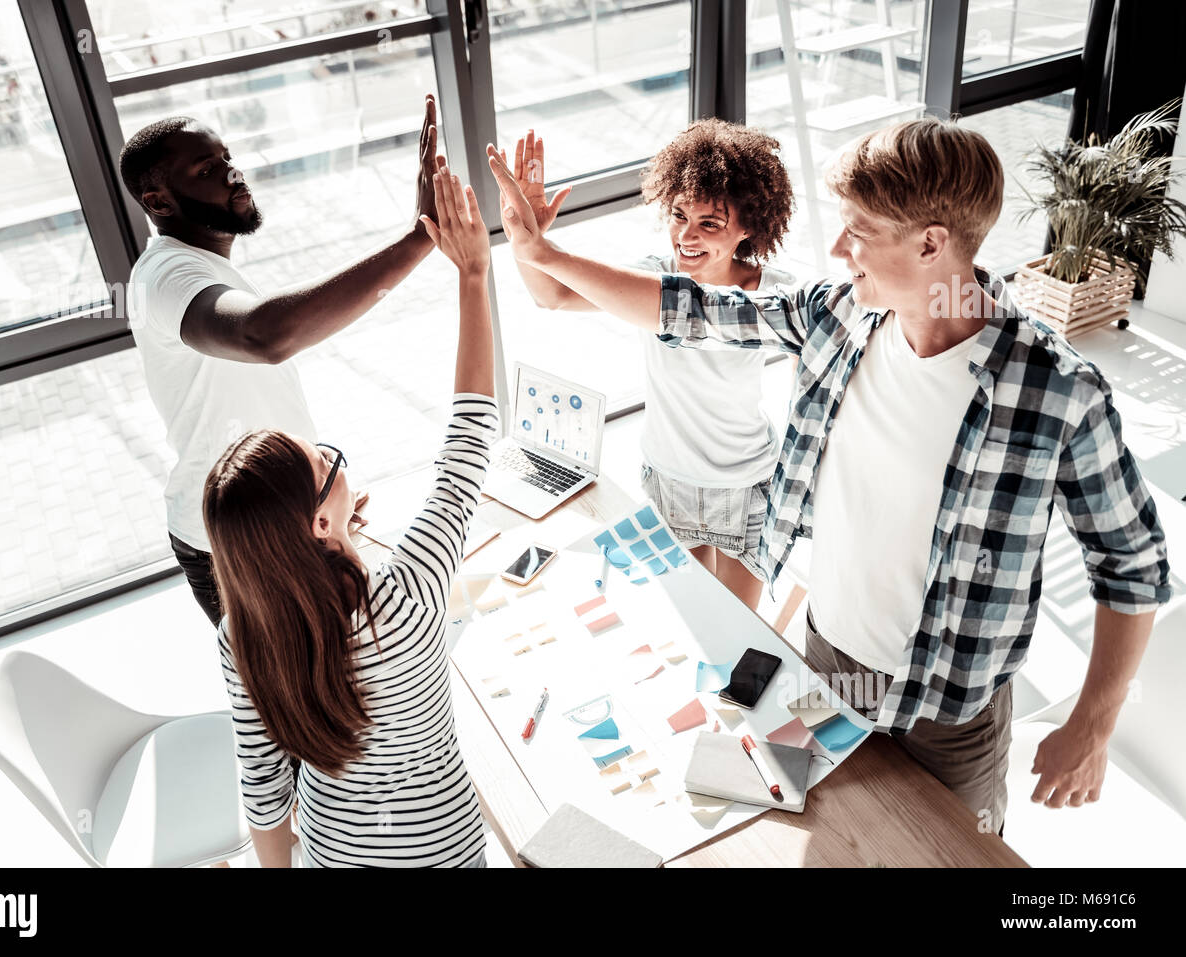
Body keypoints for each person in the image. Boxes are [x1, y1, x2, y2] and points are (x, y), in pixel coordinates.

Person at [487, 117, 1171, 835]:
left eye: (859, 231)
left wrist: (1094, 724)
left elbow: (1131, 564)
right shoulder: (840, 317)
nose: (839, 249)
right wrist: (542, 251)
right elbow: (689, 311)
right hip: (824, 669)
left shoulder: (1059, 391)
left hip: (948, 714)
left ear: (932, 242)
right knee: (818, 835)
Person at [204, 165, 498, 867]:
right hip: (443, 849)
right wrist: (474, 277)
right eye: (326, 464)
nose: (339, 463)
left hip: (334, 853)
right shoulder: (410, 592)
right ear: (318, 527)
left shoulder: (243, 631)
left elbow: (265, 787)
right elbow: (469, 442)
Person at [120, 94, 447, 627]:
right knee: (301, 699)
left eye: (226, 157)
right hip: (236, 543)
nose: (232, 173)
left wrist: (319, 498)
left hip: (288, 518)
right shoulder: (167, 275)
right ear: (158, 203)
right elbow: (265, 336)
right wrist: (420, 238)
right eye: (208, 168)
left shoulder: (201, 264)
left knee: (348, 672)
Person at [499, 121, 794, 612]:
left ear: (748, 228)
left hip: (744, 489)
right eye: (678, 215)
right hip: (668, 481)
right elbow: (550, 296)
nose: (686, 235)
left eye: (709, 223)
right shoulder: (652, 277)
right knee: (692, 618)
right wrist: (522, 234)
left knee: (738, 629)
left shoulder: (774, 294)